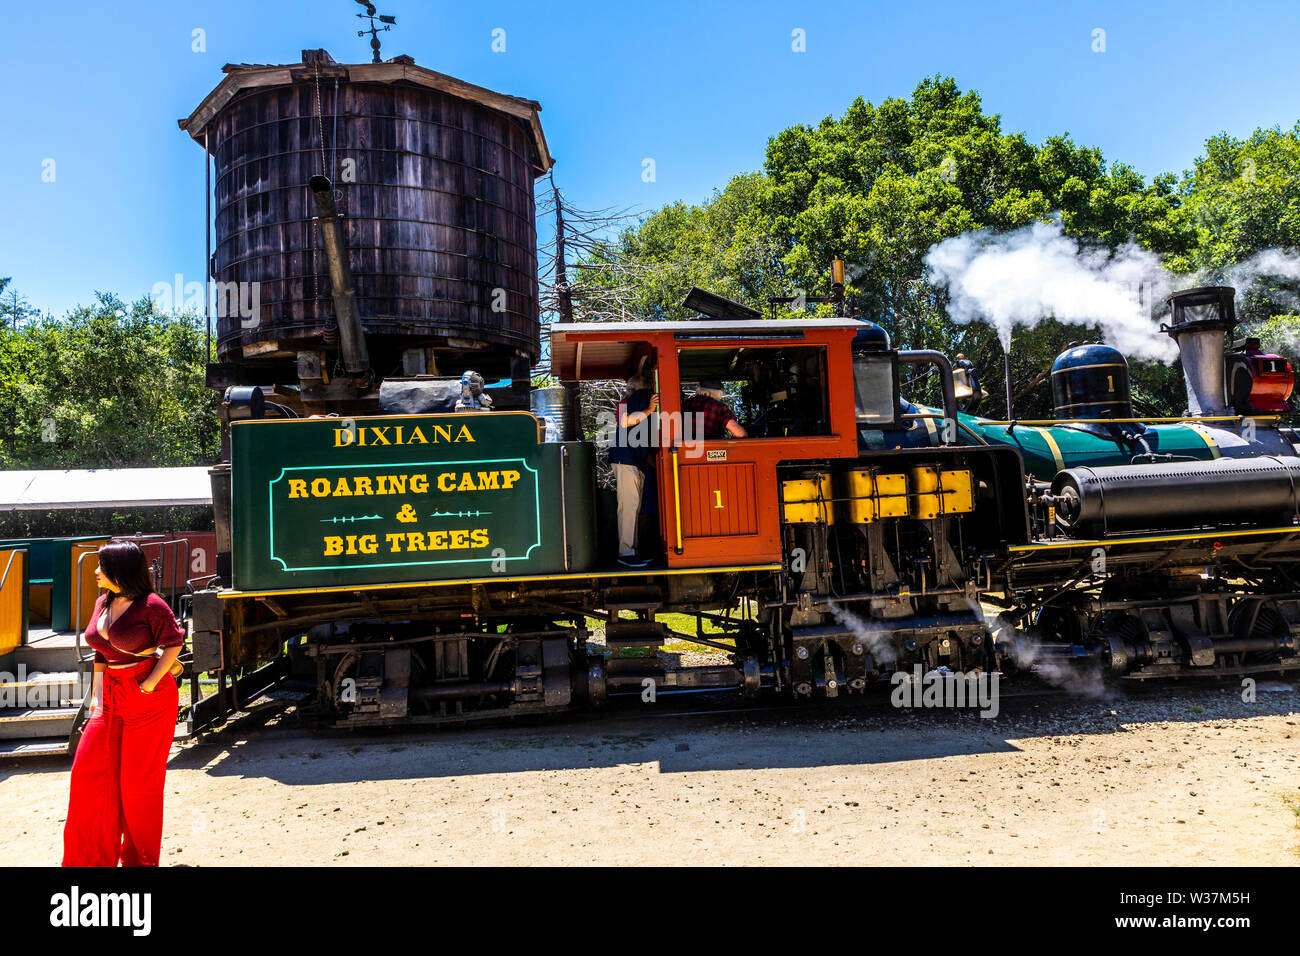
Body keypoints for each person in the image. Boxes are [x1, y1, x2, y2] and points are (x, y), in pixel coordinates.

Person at [63, 541, 184, 867]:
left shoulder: (152, 606)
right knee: (89, 777)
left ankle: (140, 863)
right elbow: (100, 651)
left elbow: (174, 643)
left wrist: (150, 682)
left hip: (149, 698)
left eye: (102, 565)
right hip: (110, 698)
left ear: (119, 569)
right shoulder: (103, 602)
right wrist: (96, 699)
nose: (96, 571)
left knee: (138, 788)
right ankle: (87, 862)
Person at [610, 372, 659, 567]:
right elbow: (626, 421)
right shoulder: (639, 398)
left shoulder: (630, 399)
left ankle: (633, 551)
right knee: (629, 507)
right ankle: (626, 552)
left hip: (630, 460)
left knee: (634, 507)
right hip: (626, 459)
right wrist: (649, 409)